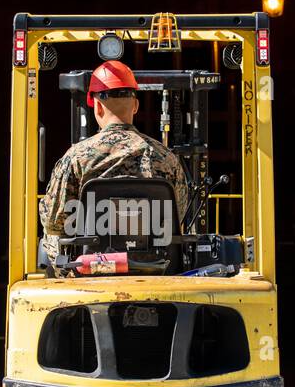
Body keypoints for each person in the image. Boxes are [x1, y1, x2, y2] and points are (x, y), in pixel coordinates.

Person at [39, 60, 190, 261]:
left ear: (98, 108)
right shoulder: (166, 158)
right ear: (135, 106)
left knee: (50, 240)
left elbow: (54, 221)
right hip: (154, 267)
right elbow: (178, 215)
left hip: (91, 270)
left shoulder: (76, 157)